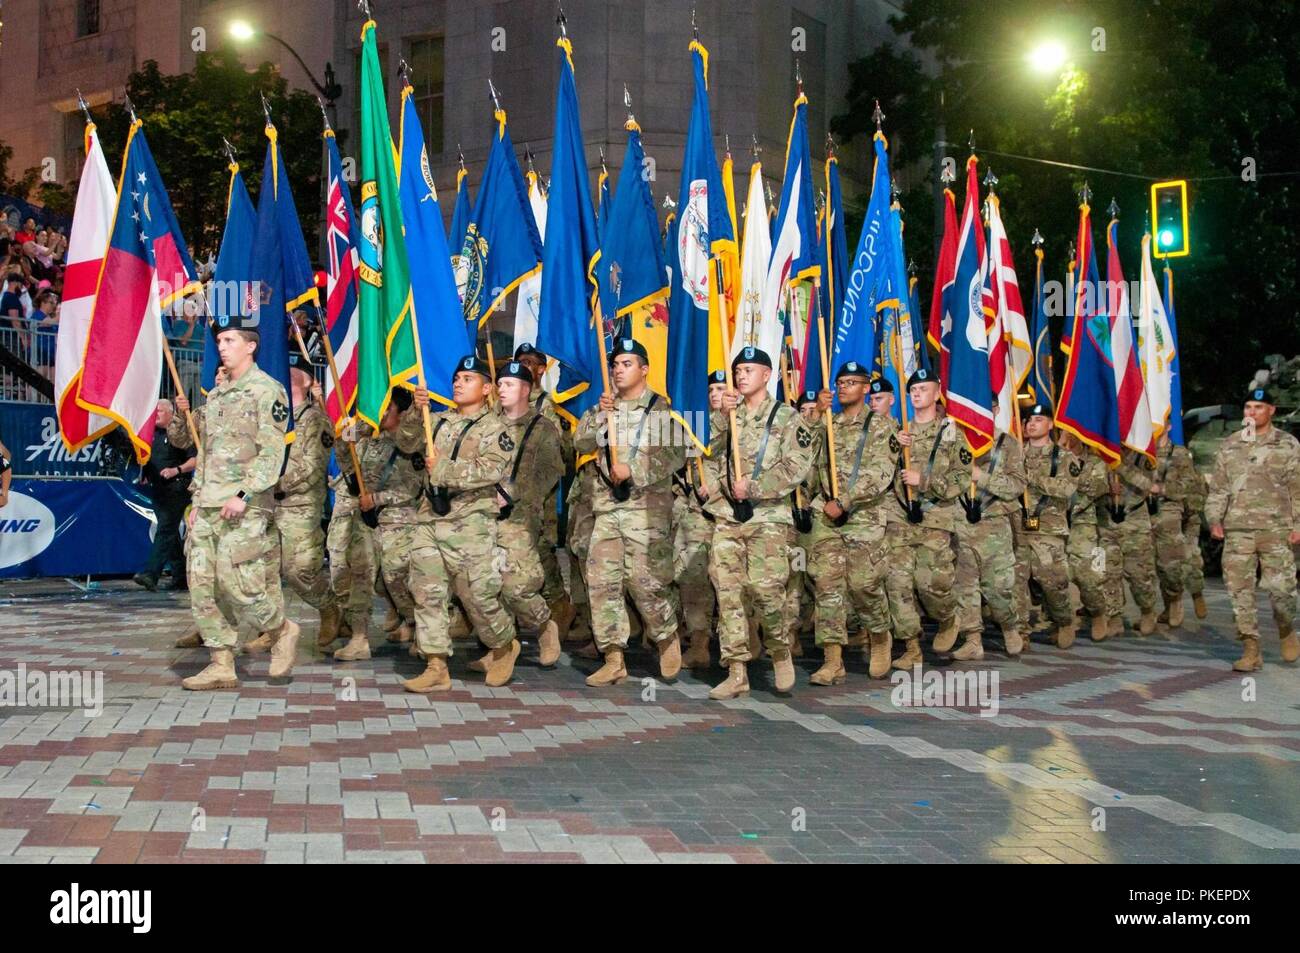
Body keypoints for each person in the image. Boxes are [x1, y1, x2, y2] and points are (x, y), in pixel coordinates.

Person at [171, 315, 298, 690]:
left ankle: (281, 629)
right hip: (208, 502)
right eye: (220, 341)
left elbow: (272, 454)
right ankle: (221, 662)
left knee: (237, 579)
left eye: (229, 341)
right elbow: (206, 453)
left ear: (251, 346)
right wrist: (196, 499)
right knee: (202, 584)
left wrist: (243, 494)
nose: (222, 347)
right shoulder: (217, 396)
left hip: (247, 502)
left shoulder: (266, 390)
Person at [701, 346, 815, 699]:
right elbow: (708, 453)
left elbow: (797, 466)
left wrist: (755, 487)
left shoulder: (787, 418)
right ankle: (736, 670)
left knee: (766, 590)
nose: (741, 375)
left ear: (767, 375)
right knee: (728, 591)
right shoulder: (727, 415)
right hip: (728, 515)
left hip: (769, 516)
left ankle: (780, 649)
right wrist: (722, 417)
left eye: (750, 369)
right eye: (738, 370)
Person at [403, 356, 520, 691]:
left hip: (471, 521)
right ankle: (436, 664)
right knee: (427, 592)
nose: (458, 383)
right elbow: (406, 443)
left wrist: (442, 469)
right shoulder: (435, 421)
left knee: (478, 596)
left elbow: (491, 470)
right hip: (430, 518)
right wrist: (415, 411)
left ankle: (503, 645)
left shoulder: (497, 429)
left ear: (486, 389)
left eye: (468, 378)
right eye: (456, 378)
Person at [573, 339, 686, 687]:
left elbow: (677, 454)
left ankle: (665, 634)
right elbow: (579, 443)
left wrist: (634, 469)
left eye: (626, 364)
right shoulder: (603, 407)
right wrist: (597, 418)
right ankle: (613, 656)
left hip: (645, 511)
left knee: (645, 582)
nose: (619, 370)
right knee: (602, 582)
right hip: (607, 509)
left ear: (644, 368)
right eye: (615, 365)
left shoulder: (663, 410)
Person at [243, 341, 339, 655]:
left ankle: (329, 606)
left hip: (299, 504)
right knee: (266, 569)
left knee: (298, 569)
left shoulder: (315, 419)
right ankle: (271, 628)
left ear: (308, 380)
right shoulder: (274, 416)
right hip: (267, 503)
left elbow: (312, 467)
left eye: (294, 370)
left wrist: (270, 483)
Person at [805, 362, 898, 683]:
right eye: (840, 382)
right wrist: (817, 411)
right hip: (825, 514)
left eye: (852, 382)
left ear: (865, 388)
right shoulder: (829, 421)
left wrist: (845, 501)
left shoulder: (882, 427)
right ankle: (833, 660)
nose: (843, 387)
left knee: (863, 584)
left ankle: (880, 635)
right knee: (827, 585)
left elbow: (881, 473)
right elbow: (804, 450)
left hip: (863, 516)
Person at [1205, 386, 1300, 670]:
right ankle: (1250, 648)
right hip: (1238, 530)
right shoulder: (1231, 445)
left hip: (1276, 529)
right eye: (1248, 407)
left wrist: (1298, 524)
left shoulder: (1288, 445)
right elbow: (1218, 487)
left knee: (1282, 593)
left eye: (1259, 408)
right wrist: (1214, 518)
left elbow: (1297, 488)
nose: (1253, 412)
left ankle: (1285, 627)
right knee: (1239, 592)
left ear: (1271, 410)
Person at [482, 360, 564, 669]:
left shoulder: (542, 427)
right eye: (500, 384)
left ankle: (545, 625)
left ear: (527, 390)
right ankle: (500, 648)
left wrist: (513, 493)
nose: (503, 389)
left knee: (516, 586)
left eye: (510, 384)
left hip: (520, 519)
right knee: (486, 585)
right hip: (484, 517)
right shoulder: (487, 423)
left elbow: (551, 470)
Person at [886, 368, 969, 668]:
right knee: (896, 583)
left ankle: (948, 618)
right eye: (913, 389)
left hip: (935, 516)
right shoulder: (899, 430)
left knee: (930, 583)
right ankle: (910, 646)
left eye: (924, 388)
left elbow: (962, 477)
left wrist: (925, 481)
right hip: (900, 516)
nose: (918, 393)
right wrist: (894, 448)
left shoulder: (950, 431)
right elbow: (881, 472)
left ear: (937, 393)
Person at [335, 387, 425, 659]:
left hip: (399, 518)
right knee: (361, 574)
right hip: (366, 517)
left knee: (396, 575)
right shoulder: (370, 438)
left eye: (387, 408)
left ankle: (418, 625)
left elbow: (414, 489)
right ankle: (359, 638)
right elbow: (346, 463)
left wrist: (377, 498)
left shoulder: (411, 444)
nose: (381, 413)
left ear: (401, 411)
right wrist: (346, 437)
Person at [950, 399, 1026, 660]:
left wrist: (979, 476)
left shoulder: (1008, 443)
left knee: (999, 587)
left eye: (988, 405)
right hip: (961, 522)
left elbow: (1017, 486)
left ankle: (1009, 627)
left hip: (994, 525)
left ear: (994, 409)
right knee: (964, 587)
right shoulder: (952, 440)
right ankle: (972, 639)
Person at [513, 342, 578, 636]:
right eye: (521, 361)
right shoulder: (505, 405)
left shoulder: (549, 406)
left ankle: (559, 604)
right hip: (507, 495)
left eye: (531, 362)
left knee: (541, 550)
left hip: (539, 496)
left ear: (542, 369)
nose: (526, 366)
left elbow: (558, 454)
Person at [1012, 403, 1079, 648]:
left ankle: (1063, 620)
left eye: (1038, 419)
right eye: (1029, 419)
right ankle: (1021, 632)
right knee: (1016, 582)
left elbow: (1067, 489)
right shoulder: (1016, 455)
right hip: (1018, 526)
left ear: (1050, 424)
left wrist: (1033, 479)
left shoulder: (1063, 457)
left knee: (1053, 583)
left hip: (1049, 529)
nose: (1031, 423)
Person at [674, 370, 726, 669]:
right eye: (712, 389)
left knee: (731, 581)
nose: (716, 394)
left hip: (731, 515)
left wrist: (717, 487)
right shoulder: (694, 425)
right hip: (697, 512)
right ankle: (699, 643)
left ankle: (752, 637)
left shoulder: (739, 423)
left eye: (721, 388)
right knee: (693, 577)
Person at [135, 399, 196, 591]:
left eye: (160, 411)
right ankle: (180, 577)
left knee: (165, 530)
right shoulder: (151, 434)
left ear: (171, 413)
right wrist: (144, 474)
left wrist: (177, 470)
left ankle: (151, 574)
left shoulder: (180, 434)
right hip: (158, 488)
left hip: (178, 488)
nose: (156, 414)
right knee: (169, 534)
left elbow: (196, 459)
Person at [1149, 431, 1201, 629]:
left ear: (1168, 425)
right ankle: (1162, 608)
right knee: (1149, 566)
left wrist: (1162, 489)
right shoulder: (1139, 449)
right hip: (1141, 510)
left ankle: (1176, 599)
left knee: (1169, 563)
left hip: (1169, 510)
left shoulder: (1179, 454)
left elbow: (1188, 485)